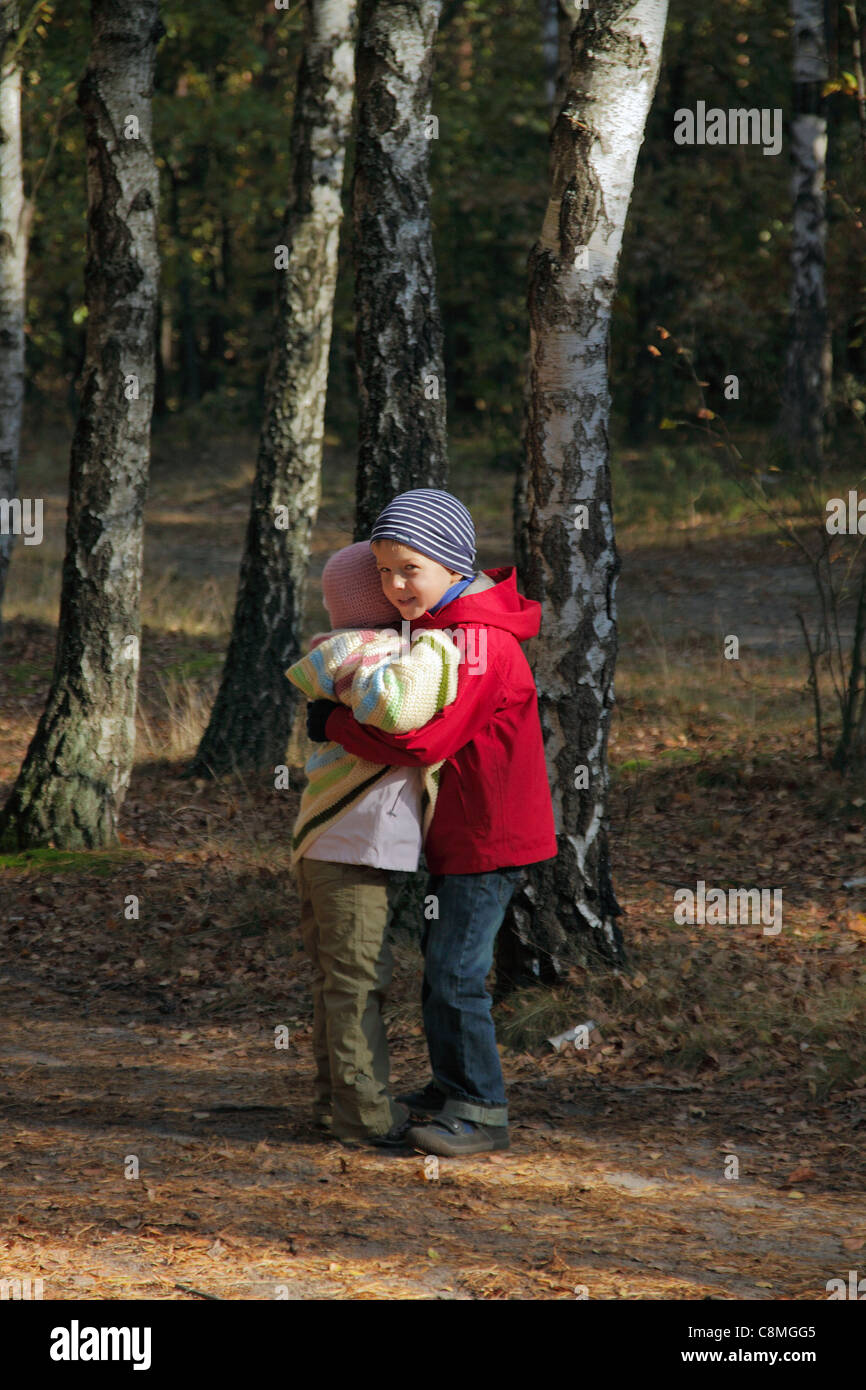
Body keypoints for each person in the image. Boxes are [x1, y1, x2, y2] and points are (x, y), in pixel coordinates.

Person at [307, 490, 557, 1156]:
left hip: (491, 838)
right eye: (384, 570)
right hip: (456, 836)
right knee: (443, 970)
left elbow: (426, 743)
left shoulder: (477, 641)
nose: (393, 585)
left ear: (451, 564)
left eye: (408, 569)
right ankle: (454, 1089)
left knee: (455, 975)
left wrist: (333, 723)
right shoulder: (443, 629)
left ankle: (482, 1109)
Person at [285, 541, 462, 1148]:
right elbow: (399, 708)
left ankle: (331, 1107)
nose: (399, 588)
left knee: (337, 983)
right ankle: (366, 1118)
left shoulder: (344, 650)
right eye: (386, 578)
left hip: (331, 843)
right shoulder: (372, 653)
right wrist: (438, 643)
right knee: (357, 982)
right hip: (348, 844)